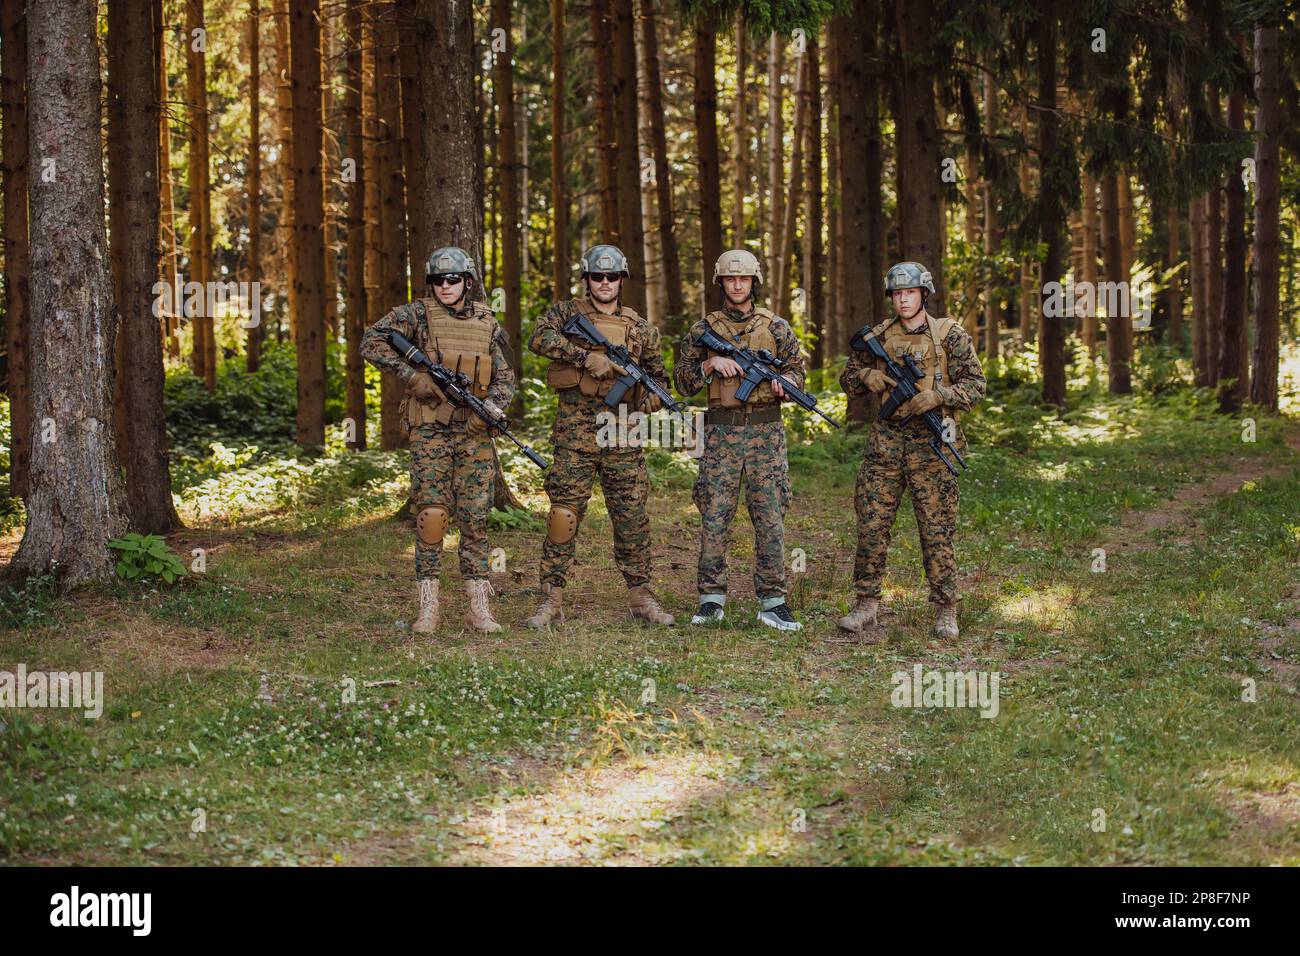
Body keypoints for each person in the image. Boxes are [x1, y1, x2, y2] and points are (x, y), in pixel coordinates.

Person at [360, 246, 515, 635]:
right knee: (430, 517)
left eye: (452, 279)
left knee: (476, 520)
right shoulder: (415, 315)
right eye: (437, 280)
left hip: (474, 434)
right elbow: (371, 342)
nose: (444, 286)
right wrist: (412, 377)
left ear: (468, 281)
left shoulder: (487, 321)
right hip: (430, 431)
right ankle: (428, 609)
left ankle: (478, 608)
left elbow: (505, 377)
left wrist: (493, 408)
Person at [523, 244, 675, 629]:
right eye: (597, 276)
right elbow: (538, 337)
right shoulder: (567, 313)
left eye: (611, 277)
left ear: (622, 280)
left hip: (624, 435)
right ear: (587, 279)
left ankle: (641, 596)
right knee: (564, 515)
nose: (604, 283)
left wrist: (654, 397)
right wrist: (583, 357)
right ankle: (550, 598)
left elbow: (658, 376)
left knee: (632, 518)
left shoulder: (640, 327)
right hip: (575, 435)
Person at [838, 261, 986, 641]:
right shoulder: (879, 336)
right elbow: (848, 378)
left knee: (937, 529)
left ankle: (945, 608)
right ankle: (866, 603)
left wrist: (939, 395)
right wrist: (865, 376)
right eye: (897, 294)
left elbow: (976, 384)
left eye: (910, 292)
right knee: (872, 523)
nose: (903, 299)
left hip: (934, 443)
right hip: (886, 441)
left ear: (924, 294)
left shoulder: (948, 334)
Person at [673, 249, 806, 632]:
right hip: (720, 432)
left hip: (766, 433)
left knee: (770, 516)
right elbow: (682, 379)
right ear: (721, 282)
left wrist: (788, 384)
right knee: (715, 515)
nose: (736, 284)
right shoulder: (703, 330)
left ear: (753, 283)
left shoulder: (776, 327)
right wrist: (709, 364)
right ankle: (711, 599)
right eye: (730, 279)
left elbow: (797, 370)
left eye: (743, 279)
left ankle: (773, 602)